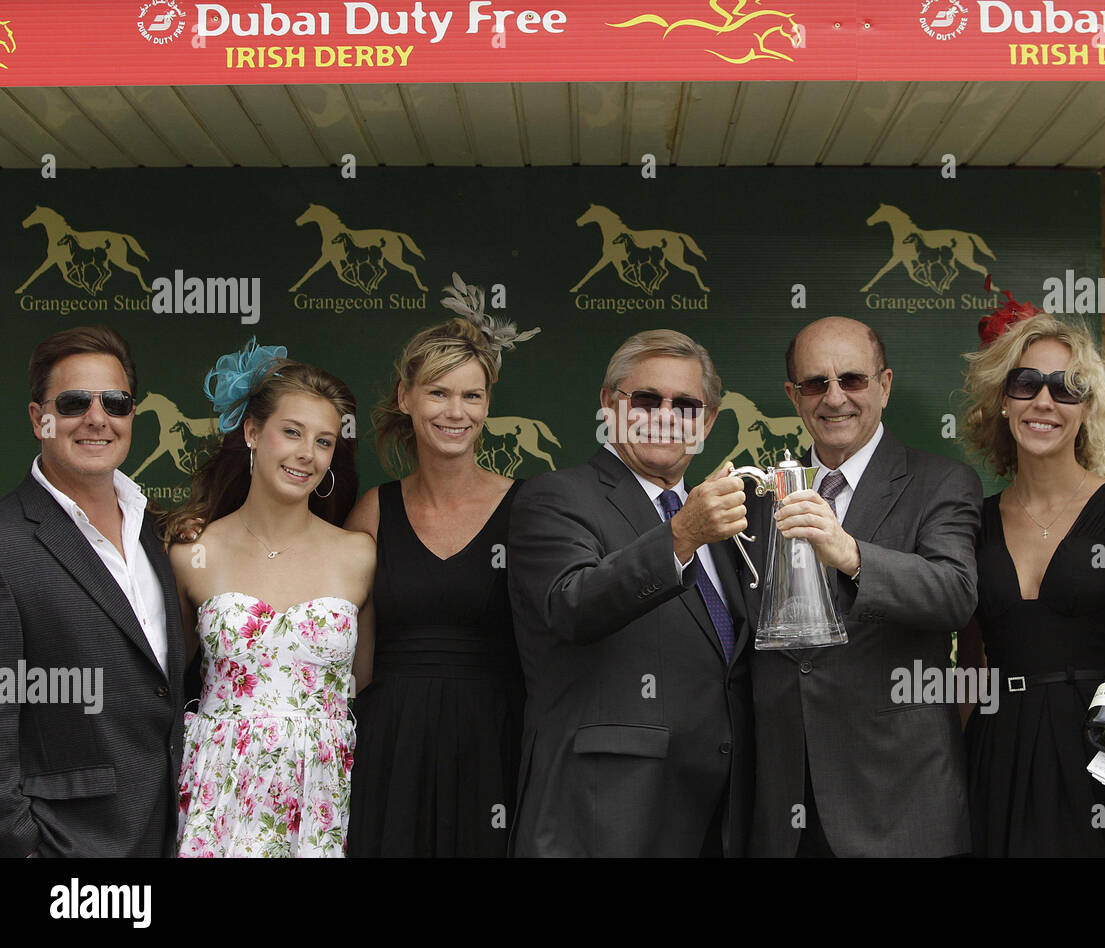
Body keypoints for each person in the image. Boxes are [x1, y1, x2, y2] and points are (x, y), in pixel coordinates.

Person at [507, 329, 754, 857]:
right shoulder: (553, 496)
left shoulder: (729, 521)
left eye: (686, 405)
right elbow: (572, 606)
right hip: (603, 812)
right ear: (609, 405)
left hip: (719, 815)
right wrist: (681, 534)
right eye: (646, 399)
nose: (666, 415)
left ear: (708, 422)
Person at [748, 316, 980, 858]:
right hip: (781, 803)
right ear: (793, 395)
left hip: (897, 802)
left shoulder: (941, 482)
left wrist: (849, 554)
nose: (834, 399)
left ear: (885, 385)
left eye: (851, 379)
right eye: (815, 384)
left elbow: (954, 593)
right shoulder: (759, 495)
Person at [959, 308, 1105, 857]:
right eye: (1026, 383)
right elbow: (969, 670)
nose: (1044, 401)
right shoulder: (971, 521)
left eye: (1067, 388)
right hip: (995, 758)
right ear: (1002, 400)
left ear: (1088, 407)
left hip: (1103, 759)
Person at [160, 339, 373, 857]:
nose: (307, 453)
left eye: (324, 442)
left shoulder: (357, 555)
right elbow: (162, 681)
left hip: (321, 798)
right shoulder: (192, 552)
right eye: (292, 432)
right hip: (218, 794)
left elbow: (362, 683)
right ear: (253, 432)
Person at [346, 284, 537, 857]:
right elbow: (355, 652)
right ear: (405, 397)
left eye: (472, 397)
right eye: (438, 393)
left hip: (497, 740)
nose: (456, 413)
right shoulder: (373, 511)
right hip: (391, 742)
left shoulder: (530, 507)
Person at [0, 326, 185, 858]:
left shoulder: (156, 530)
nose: (97, 418)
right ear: (40, 419)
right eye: (75, 401)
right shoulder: (8, 541)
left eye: (116, 402)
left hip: (167, 834)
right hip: (65, 847)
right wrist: (24, 846)